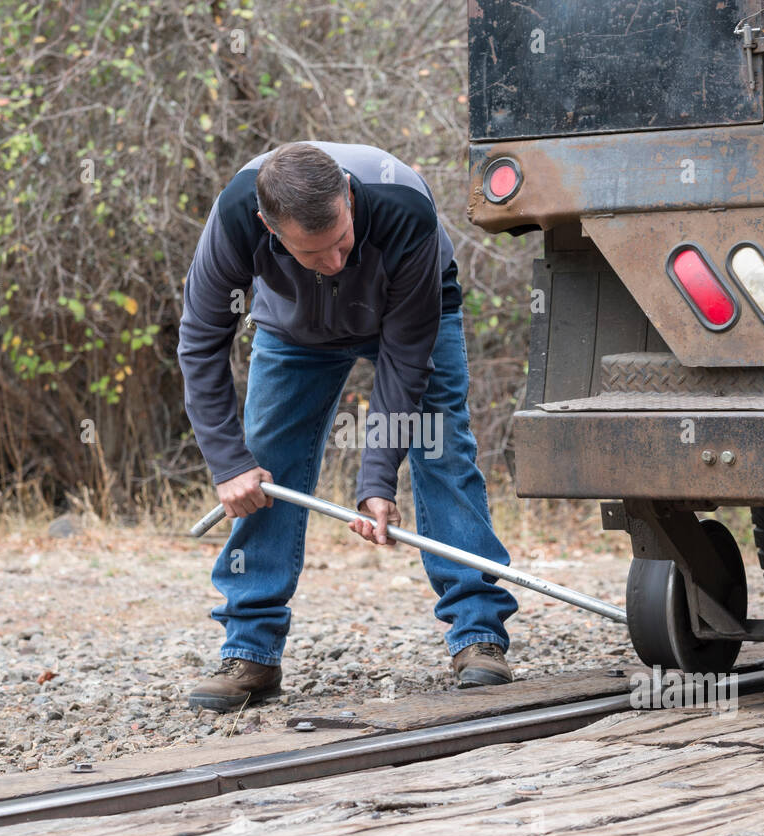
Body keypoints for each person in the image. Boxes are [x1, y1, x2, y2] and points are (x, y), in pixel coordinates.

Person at [177, 141, 519, 712]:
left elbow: (408, 359)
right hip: (292, 331)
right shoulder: (237, 213)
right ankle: (251, 652)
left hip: (406, 316)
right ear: (268, 227)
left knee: (443, 453)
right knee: (267, 467)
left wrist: (376, 483)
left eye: (342, 240)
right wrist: (229, 463)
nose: (335, 261)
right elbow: (200, 342)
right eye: (313, 253)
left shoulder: (402, 205)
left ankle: (478, 635)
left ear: (348, 200)